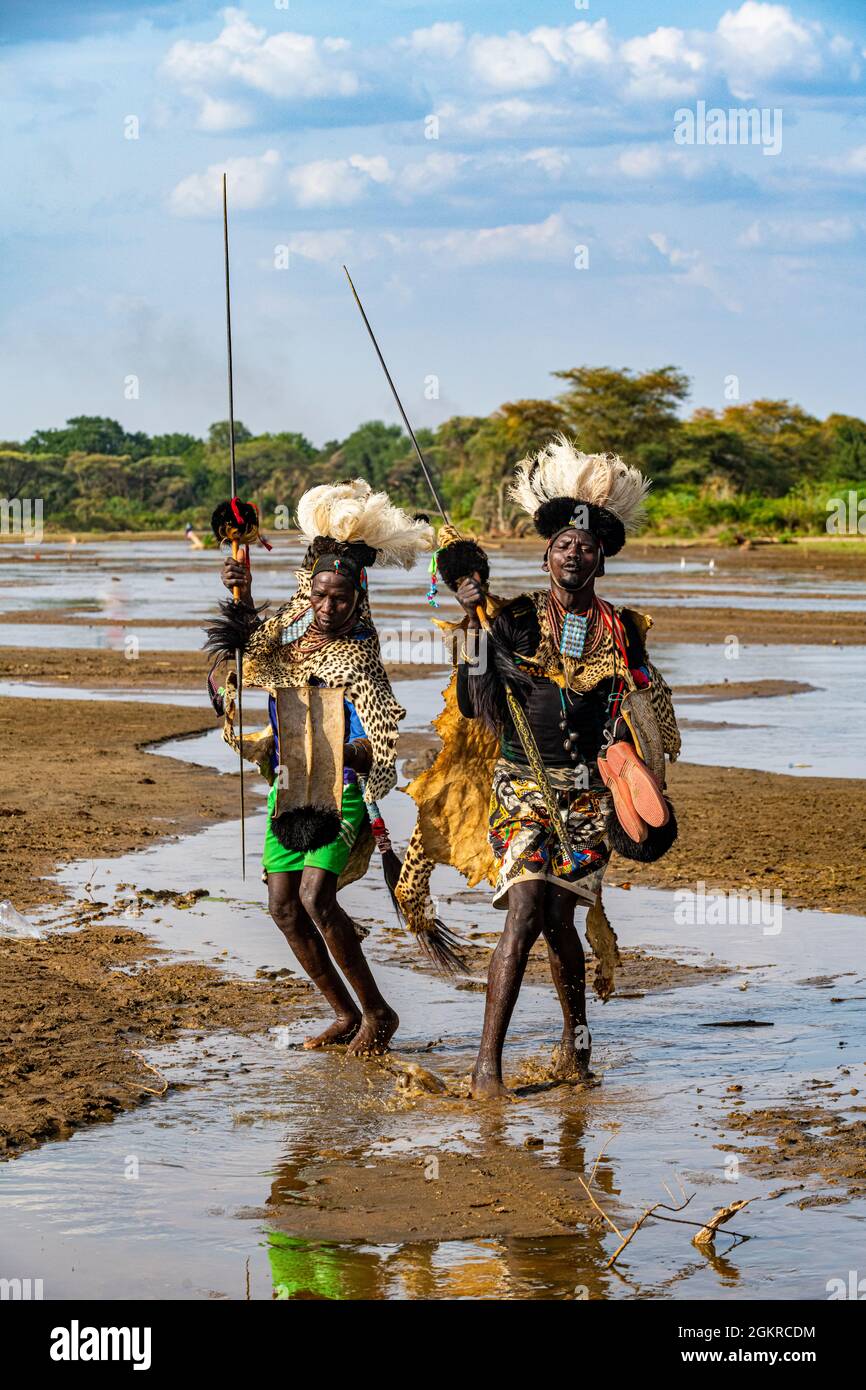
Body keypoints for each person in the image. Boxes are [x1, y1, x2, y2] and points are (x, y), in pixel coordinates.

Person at [397, 439, 681, 1098]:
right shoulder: (514, 620)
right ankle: (487, 1068)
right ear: (546, 554)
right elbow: (474, 701)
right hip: (522, 786)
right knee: (525, 910)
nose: (573, 553)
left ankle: (574, 1046)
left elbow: (642, 711)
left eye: (585, 545)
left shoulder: (623, 632)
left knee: (561, 922)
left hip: (587, 797)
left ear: (600, 557)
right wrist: (473, 619)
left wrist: (647, 789)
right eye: (561, 544)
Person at [208, 479, 436, 1055]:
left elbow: (383, 734)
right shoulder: (290, 645)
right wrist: (240, 591)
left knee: (315, 897)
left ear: (358, 598)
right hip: (288, 790)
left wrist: (352, 754)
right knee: (282, 906)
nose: (330, 608)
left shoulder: (359, 655)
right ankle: (349, 1013)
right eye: (322, 597)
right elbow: (245, 657)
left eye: (341, 598)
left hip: (341, 794)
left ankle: (378, 1016)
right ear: (309, 593)